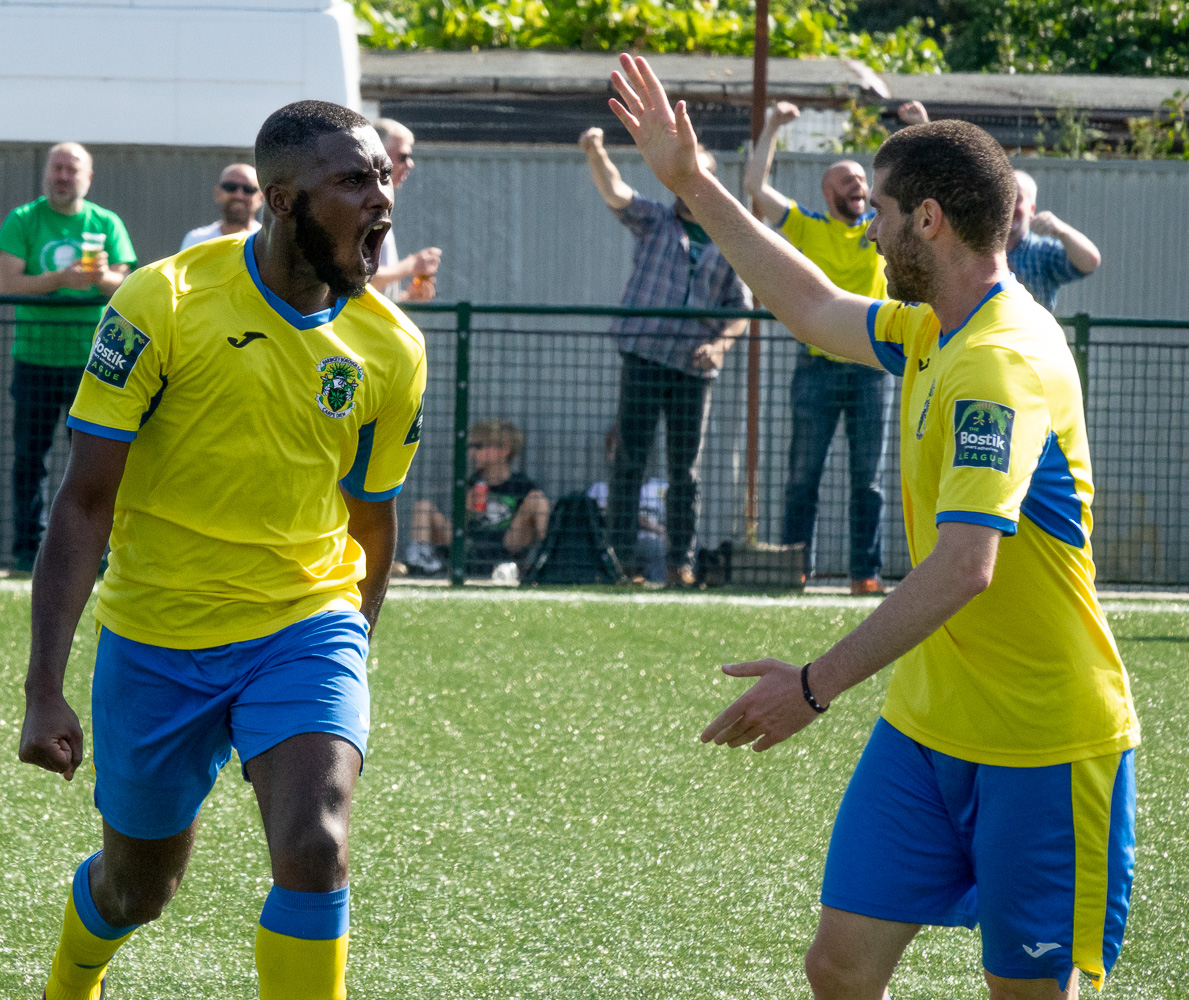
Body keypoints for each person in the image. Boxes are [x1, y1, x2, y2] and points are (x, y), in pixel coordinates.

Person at [610, 55, 1140, 999]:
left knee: (1024, 992)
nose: (870, 228)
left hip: (1044, 740)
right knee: (840, 967)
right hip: (927, 724)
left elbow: (965, 566)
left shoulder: (998, 360)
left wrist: (810, 688)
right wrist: (691, 184)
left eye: (881, 215)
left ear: (926, 220)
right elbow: (813, 306)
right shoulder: (933, 324)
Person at [18, 100, 427, 1000]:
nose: (380, 198)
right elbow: (85, 505)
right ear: (281, 202)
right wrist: (43, 687)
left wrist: (351, 644)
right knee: (137, 889)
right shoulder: (160, 300)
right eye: (353, 180)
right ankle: (67, 984)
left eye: (383, 178)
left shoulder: (393, 349)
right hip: (158, 636)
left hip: (303, 625)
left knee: (316, 847)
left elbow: (373, 519)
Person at [579, 125, 751, 588]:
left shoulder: (728, 239)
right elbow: (617, 194)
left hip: (694, 369)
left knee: (684, 470)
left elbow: (740, 311)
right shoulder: (655, 219)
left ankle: (681, 564)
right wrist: (596, 151)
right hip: (644, 356)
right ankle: (622, 564)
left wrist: (719, 344)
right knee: (629, 461)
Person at [744, 101, 897, 595]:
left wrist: (919, 126)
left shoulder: (882, 227)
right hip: (817, 370)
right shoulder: (808, 226)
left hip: (872, 369)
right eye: (848, 179)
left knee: (867, 481)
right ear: (828, 190)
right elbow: (754, 189)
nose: (859, 185)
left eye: (862, 179)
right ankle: (795, 570)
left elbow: (930, 187)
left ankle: (864, 574)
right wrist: (771, 127)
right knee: (802, 476)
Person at [0, 142, 136, 573]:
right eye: (56, 168)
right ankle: (27, 551)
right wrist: (63, 279)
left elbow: (126, 284)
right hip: (35, 357)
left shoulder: (106, 222)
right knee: (29, 460)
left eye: (71, 169)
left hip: (92, 363)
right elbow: (9, 283)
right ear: (47, 173)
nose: (62, 176)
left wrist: (98, 281)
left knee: (96, 460)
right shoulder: (23, 219)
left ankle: (97, 554)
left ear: (88, 177)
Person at [406, 418, 549, 578]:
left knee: (538, 500)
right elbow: (460, 528)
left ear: (503, 450)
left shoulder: (522, 485)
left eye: (479, 447)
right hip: (472, 547)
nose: (472, 452)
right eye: (471, 447)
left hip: (507, 546)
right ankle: (423, 564)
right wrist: (465, 509)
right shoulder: (472, 482)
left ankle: (546, 559)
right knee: (423, 506)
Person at [1008, 169, 1102, 312]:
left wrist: (1062, 230)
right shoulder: (976, 250)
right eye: (1006, 197)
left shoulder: (1041, 251)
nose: (1010, 206)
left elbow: (1090, 262)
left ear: (1032, 210)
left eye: (1018, 199)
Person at [369, 118, 441, 302]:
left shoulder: (378, 206)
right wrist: (412, 265)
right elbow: (359, 279)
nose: (410, 164)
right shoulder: (363, 208)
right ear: (378, 154)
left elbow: (369, 294)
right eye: (403, 156)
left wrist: (406, 297)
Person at [588, 427, 666, 584]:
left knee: (659, 547)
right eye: (616, 452)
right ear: (609, 455)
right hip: (614, 545)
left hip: (653, 544)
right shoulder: (598, 490)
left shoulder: (662, 488)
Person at [179, 162, 264, 249]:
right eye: (230, 187)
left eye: (248, 189)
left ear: (261, 198)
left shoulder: (267, 242)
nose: (238, 195)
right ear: (217, 193)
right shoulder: (197, 241)